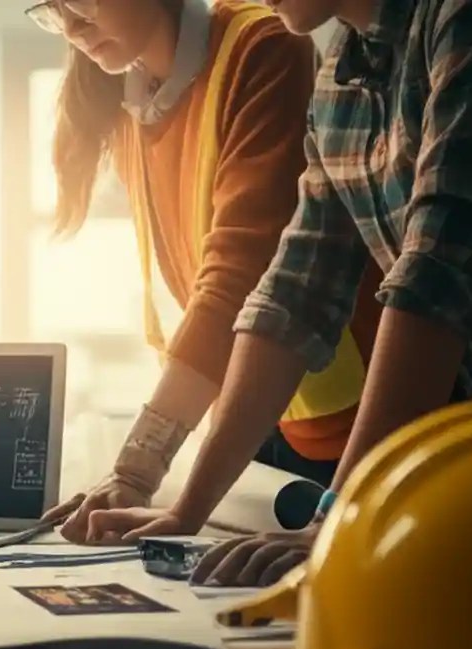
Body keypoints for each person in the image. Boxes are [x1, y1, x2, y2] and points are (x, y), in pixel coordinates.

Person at [61, 0, 472, 586]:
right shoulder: (340, 74)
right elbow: (291, 292)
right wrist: (187, 512)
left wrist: (338, 519)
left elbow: (438, 271)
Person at [28, 0, 381, 543]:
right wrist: (145, 479)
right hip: (241, 414)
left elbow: (238, 278)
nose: (71, 26)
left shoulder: (263, 47)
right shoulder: (130, 96)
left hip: (344, 422)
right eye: (51, 11)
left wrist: (139, 467)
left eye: (79, 1)